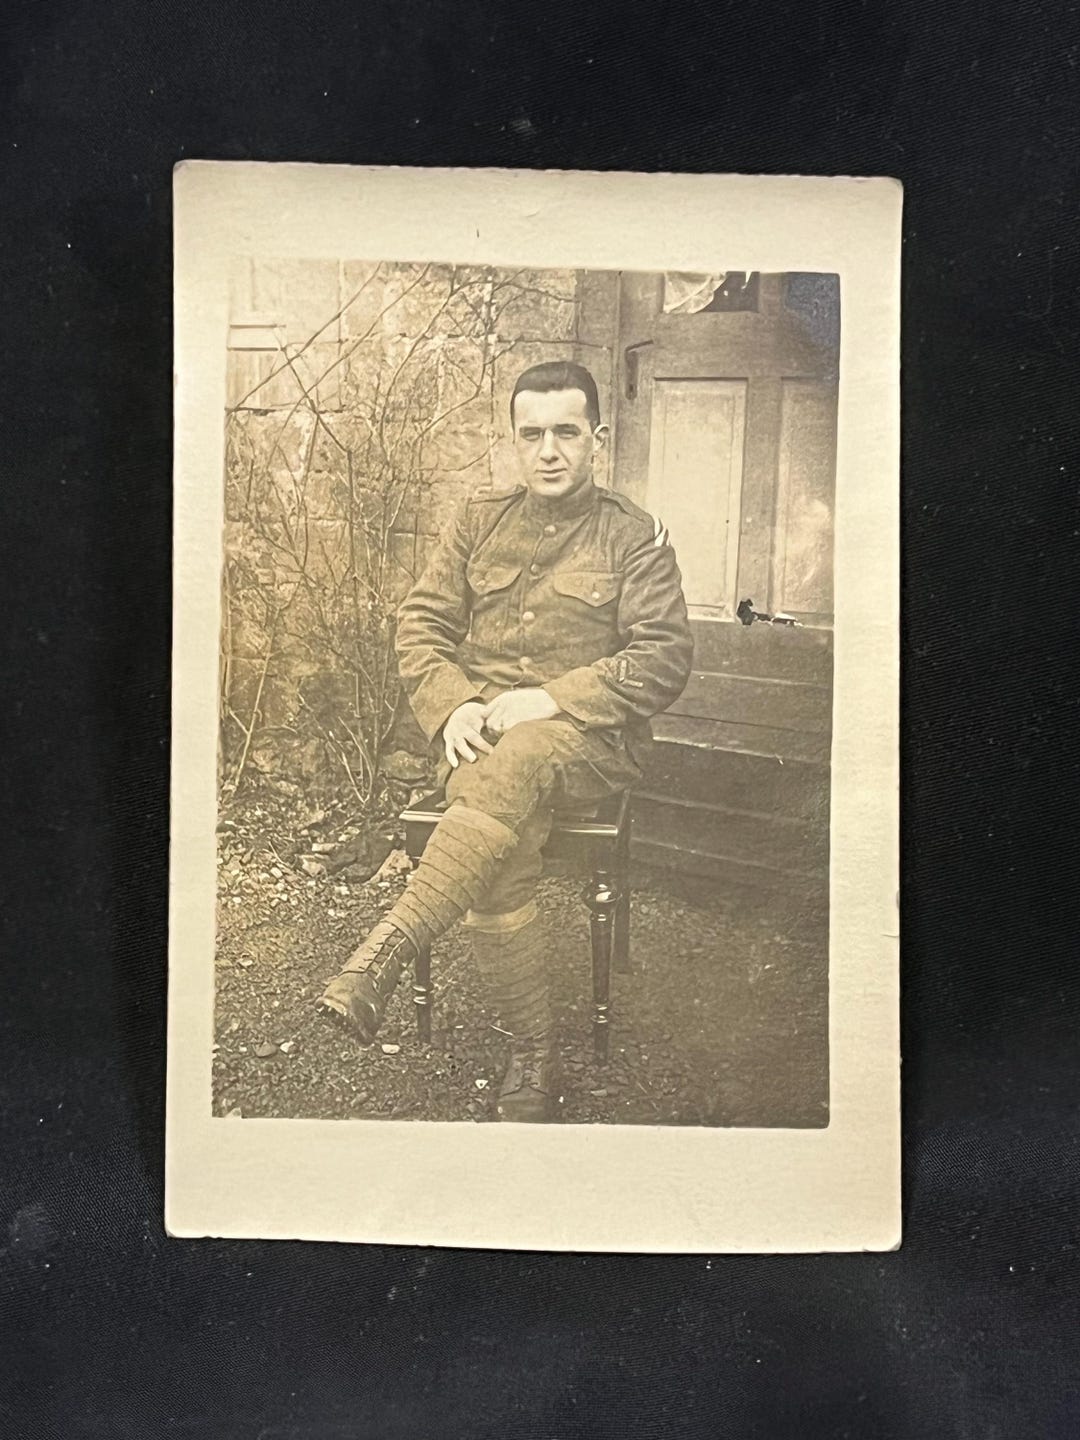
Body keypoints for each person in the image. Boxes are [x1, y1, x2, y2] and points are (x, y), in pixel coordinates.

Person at [317, 360, 694, 1120]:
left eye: (566, 432)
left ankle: (382, 953)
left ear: (598, 438)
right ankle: (534, 1055)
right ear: (513, 442)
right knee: (502, 835)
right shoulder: (478, 519)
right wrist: (452, 705)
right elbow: (420, 624)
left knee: (518, 751)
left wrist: (550, 698)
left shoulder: (634, 537)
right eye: (532, 434)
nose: (548, 450)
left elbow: (663, 659)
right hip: (478, 745)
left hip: (587, 742)